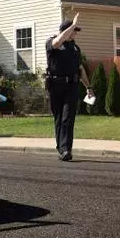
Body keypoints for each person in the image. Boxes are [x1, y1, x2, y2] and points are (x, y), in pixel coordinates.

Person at [44, 14, 90, 162]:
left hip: (72, 86)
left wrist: (89, 87)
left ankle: (66, 150)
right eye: (74, 30)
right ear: (66, 31)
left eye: (75, 30)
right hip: (55, 85)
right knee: (59, 118)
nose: (76, 33)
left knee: (68, 118)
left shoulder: (75, 48)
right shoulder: (52, 42)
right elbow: (57, 42)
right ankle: (61, 148)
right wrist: (72, 25)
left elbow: (80, 68)